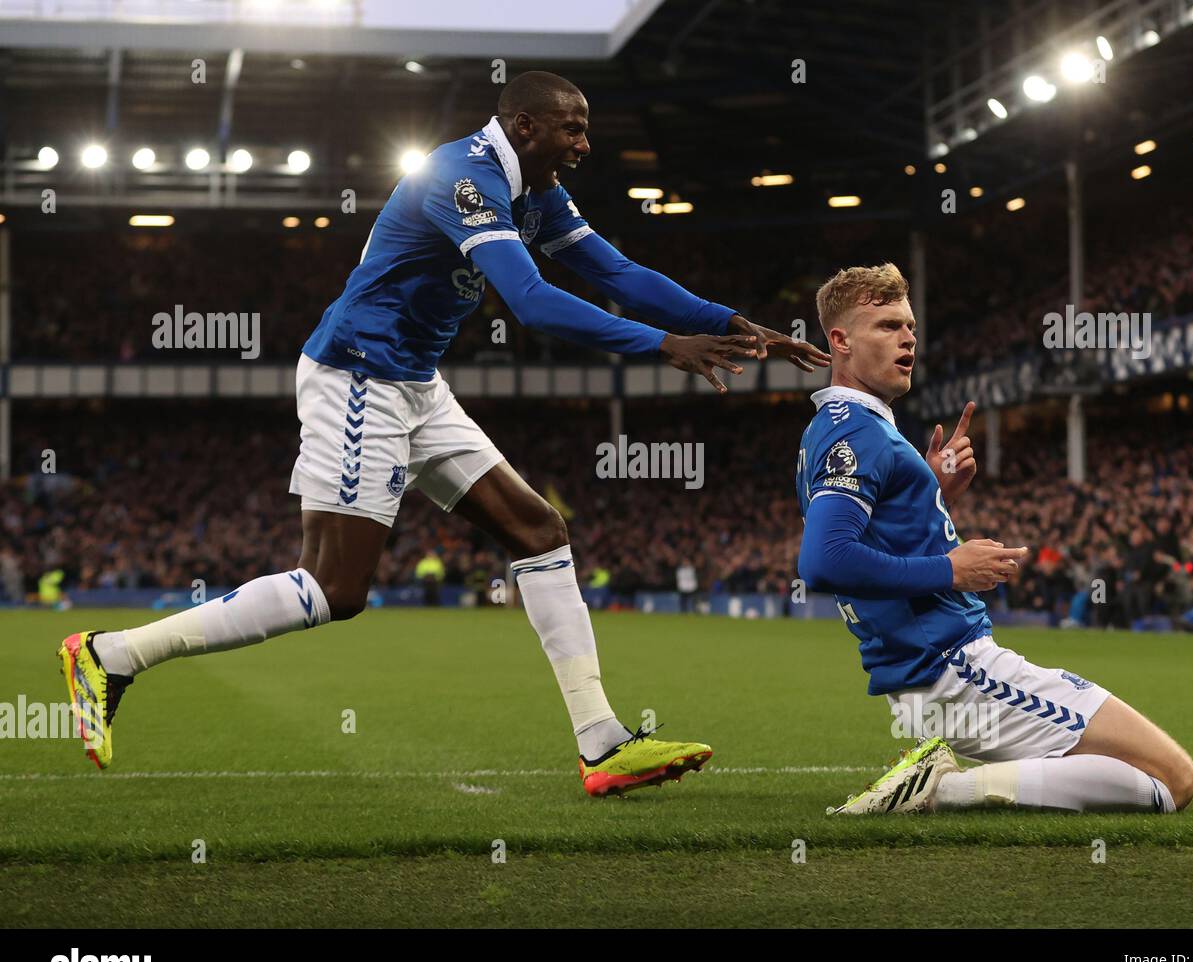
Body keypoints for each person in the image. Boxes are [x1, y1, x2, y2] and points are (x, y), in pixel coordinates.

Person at [57, 70, 828, 797]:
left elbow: (619, 274)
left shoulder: (539, 189)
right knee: (336, 588)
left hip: (417, 384)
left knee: (538, 529)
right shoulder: (460, 176)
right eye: (572, 129)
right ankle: (112, 654)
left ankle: (602, 744)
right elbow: (530, 301)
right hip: (358, 373)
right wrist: (660, 346)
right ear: (523, 125)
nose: (584, 146)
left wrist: (733, 324)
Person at [795, 262, 1193, 814]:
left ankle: (944, 784)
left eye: (909, 325)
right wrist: (952, 570)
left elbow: (878, 534)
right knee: (1173, 780)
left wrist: (933, 491)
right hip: (954, 668)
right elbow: (824, 561)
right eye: (887, 326)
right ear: (839, 340)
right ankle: (940, 790)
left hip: (933, 673)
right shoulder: (855, 430)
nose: (908, 336)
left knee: (1134, 773)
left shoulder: (845, 425)